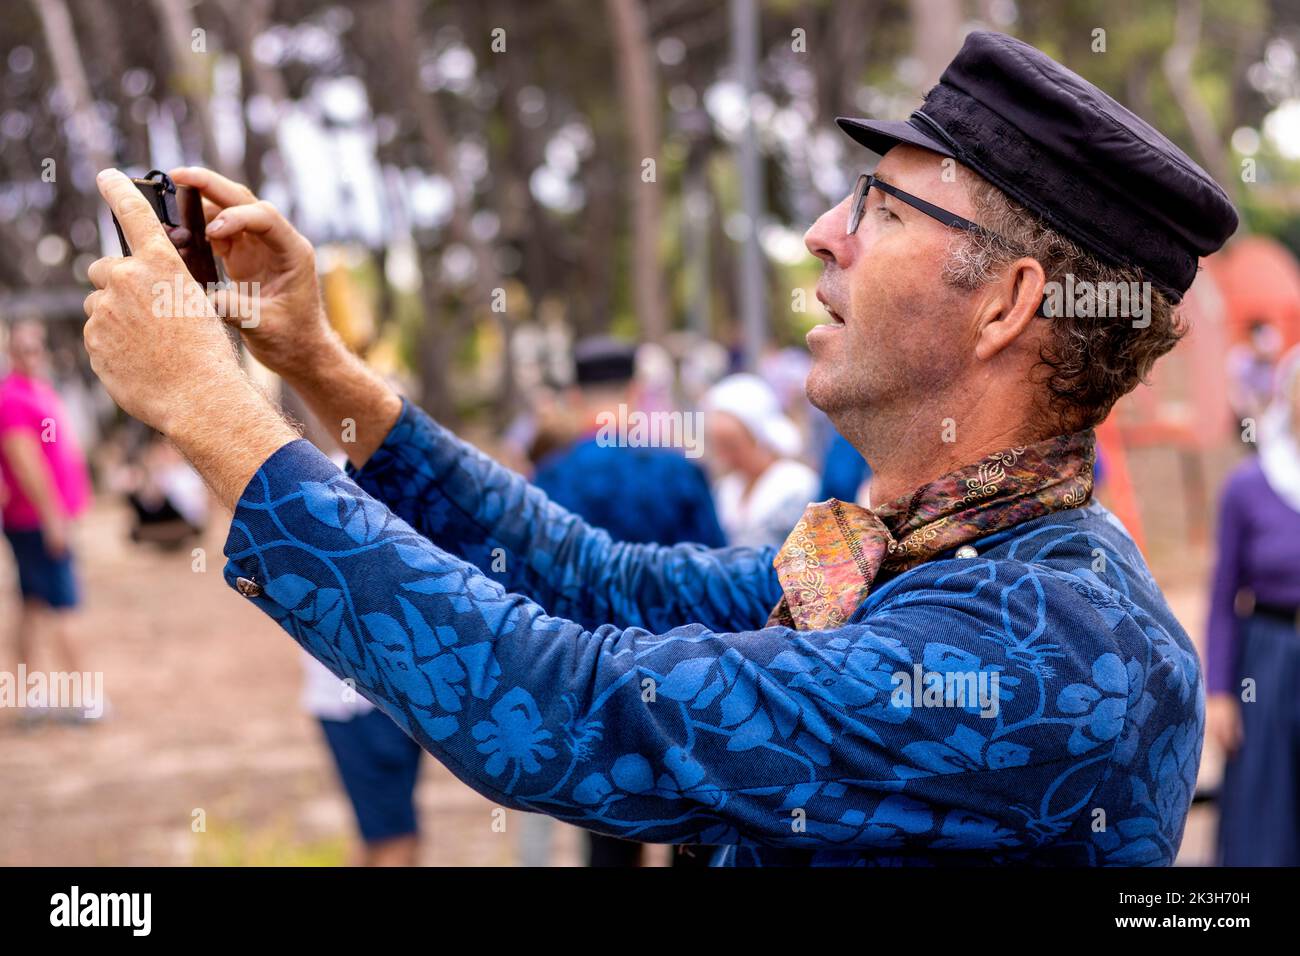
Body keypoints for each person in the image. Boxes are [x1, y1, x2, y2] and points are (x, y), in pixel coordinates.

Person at [84, 31, 1237, 865]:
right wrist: (315, 367)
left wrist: (208, 407)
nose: (821, 234)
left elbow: (572, 709)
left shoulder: (1048, 654)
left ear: (1005, 304)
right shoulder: (931, 560)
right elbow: (594, 582)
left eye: (884, 209)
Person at [531, 336, 725, 867]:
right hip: (682, 680)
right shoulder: (678, 470)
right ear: (638, 391)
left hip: (591, 682)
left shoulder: (552, 477)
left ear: (573, 394)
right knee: (697, 833)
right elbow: (714, 575)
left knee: (608, 839)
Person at [1205, 345, 1300, 866]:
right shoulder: (1249, 487)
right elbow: (1223, 596)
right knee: (1264, 812)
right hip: (1268, 661)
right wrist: (1220, 690)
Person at [0, 320, 93, 722]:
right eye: (23, 348)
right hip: (36, 520)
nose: (31, 355)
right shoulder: (12, 398)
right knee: (65, 605)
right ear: (11, 352)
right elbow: (25, 463)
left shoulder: (40, 390)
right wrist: (53, 517)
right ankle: (85, 700)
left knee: (33, 604)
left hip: (43, 518)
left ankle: (32, 699)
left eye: (36, 347)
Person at [702, 374, 818, 549]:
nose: (724, 456)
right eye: (718, 446)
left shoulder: (795, 484)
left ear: (759, 437)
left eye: (732, 445)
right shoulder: (726, 489)